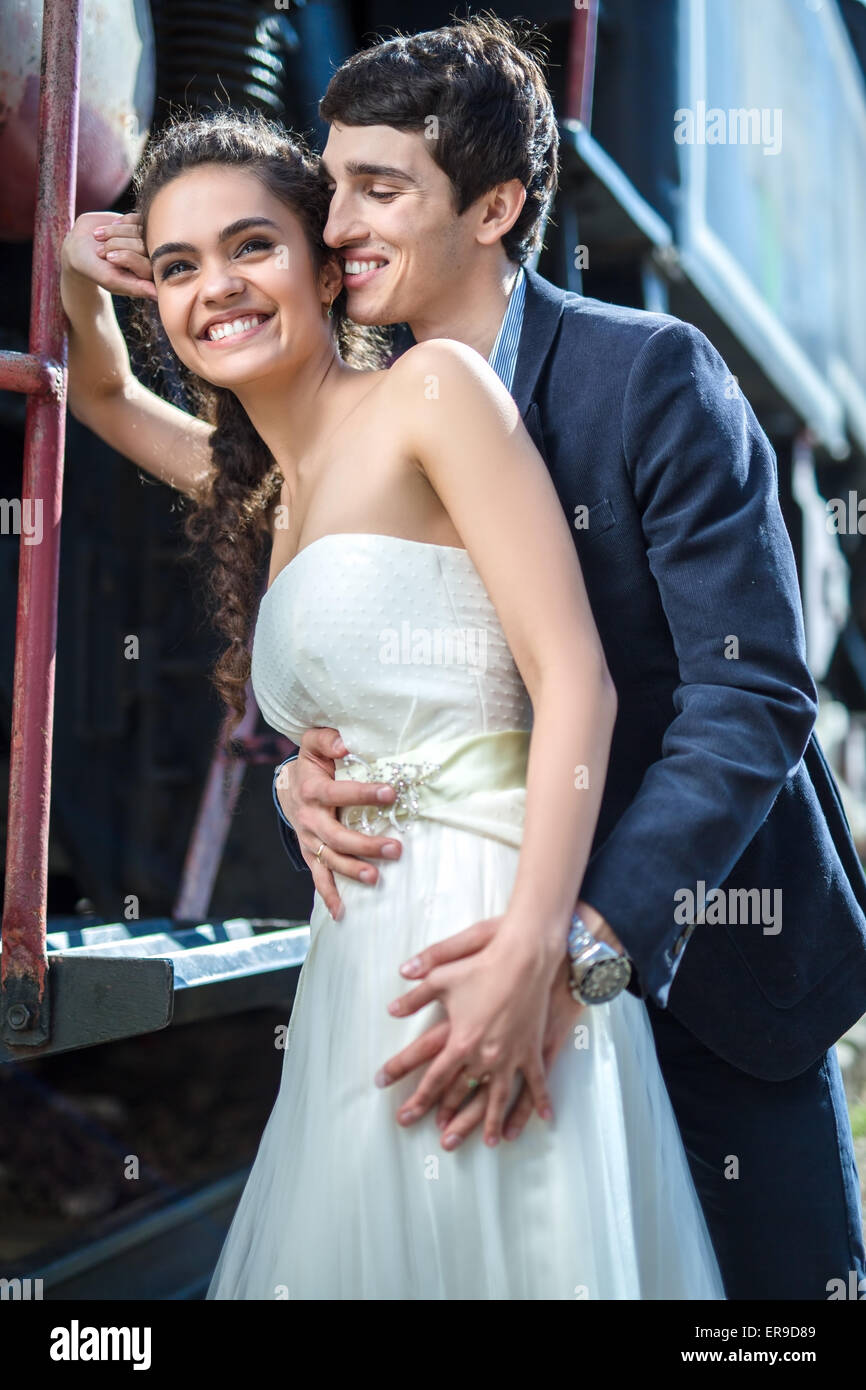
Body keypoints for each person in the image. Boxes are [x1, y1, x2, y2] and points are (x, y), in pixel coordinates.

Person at [62, 15, 866, 1299]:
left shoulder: (647, 373)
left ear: (492, 208)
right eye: (333, 188)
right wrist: (310, 770)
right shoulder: (344, 433)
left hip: (694, 951)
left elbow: (748, 693)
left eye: (378, 190)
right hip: (431, 943)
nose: (336, 224)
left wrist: (575, 945)